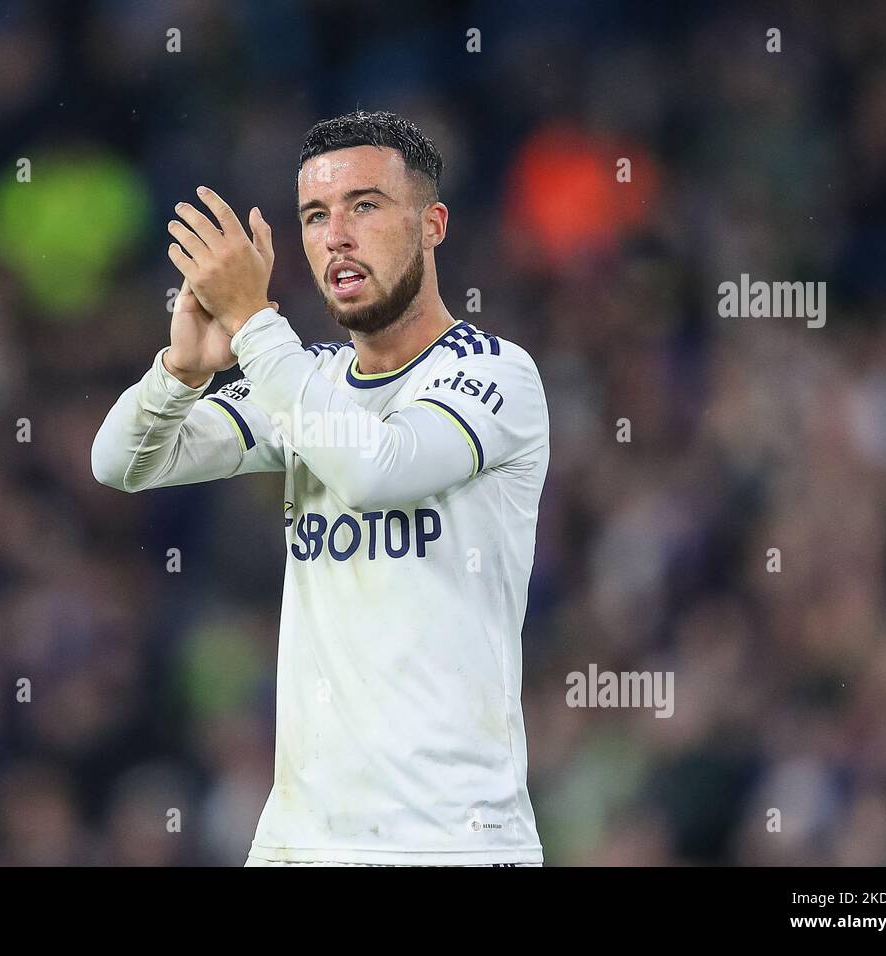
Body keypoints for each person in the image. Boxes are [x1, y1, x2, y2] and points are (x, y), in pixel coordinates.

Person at [93, 110, 549, 866]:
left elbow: (373, 468)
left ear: (433, 224)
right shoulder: (307, 382)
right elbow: (122, 462)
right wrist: (181, 374)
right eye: (314, 215)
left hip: (450, 844)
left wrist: (252, 319)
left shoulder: (495, 375)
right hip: (299, 844)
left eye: (365, 205)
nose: (336, 234)